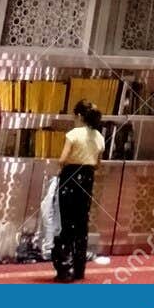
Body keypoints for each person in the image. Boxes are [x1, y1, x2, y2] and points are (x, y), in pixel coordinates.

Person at [52, 102, 104, 283]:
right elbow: (97, 164)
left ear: (80, 116)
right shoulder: (99, 137)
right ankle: (79, 268)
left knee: (67, 222)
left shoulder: (73, 134)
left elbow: (63, 159)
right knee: (82, 223)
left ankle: (65, 269)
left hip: (70, 177)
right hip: (87, 178)